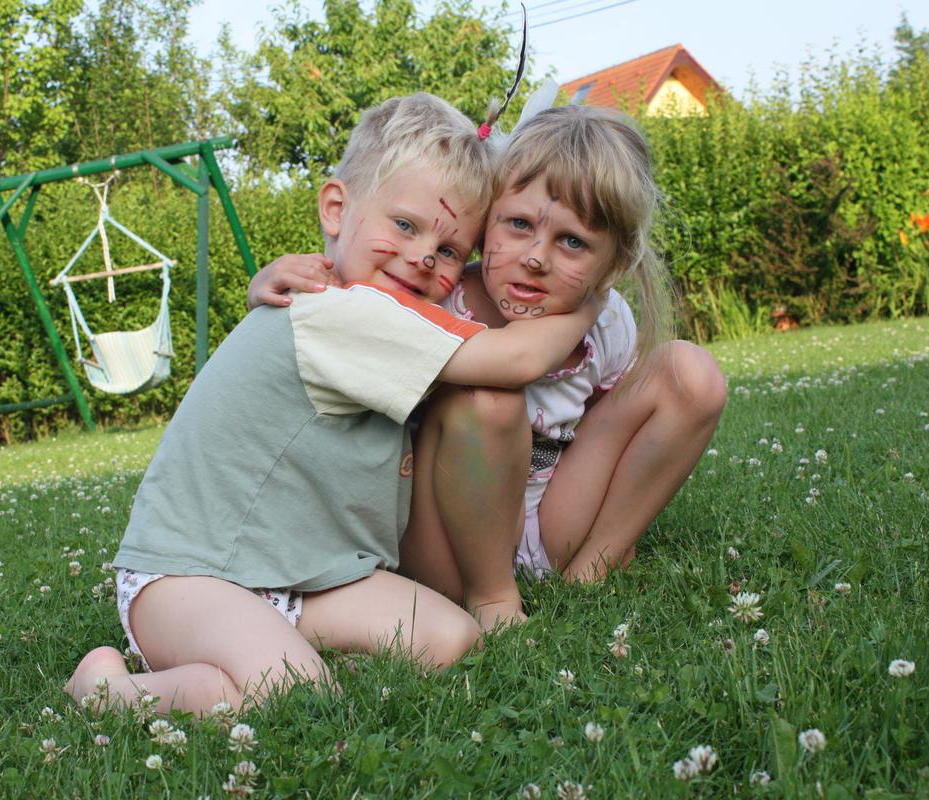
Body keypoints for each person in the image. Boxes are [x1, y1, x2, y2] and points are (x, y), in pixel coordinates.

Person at [65, 93, 605, 716]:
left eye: (452, 250)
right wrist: (588, 295)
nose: (425, 255)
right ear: (335, 207)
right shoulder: (347, 315)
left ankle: (265, 652)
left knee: (450, 640)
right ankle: (105, 689)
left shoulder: (364, 307)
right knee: (293, 697)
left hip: (299, 579)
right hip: (190, 577)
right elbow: (516, 361)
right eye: (405, 225)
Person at [250, 104, 728, 628]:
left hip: (550, 518)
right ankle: (492, 597)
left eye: (573, 242)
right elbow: (351, 295)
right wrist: (270, 282)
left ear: (612, 265)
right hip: (446, 539)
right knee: (486, 396)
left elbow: (606, 422)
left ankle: (594, 565)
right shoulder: (437, 292)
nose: (536, 257)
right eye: (518, 225)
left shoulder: (609, 321)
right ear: (484, 225)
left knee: (690, 373)